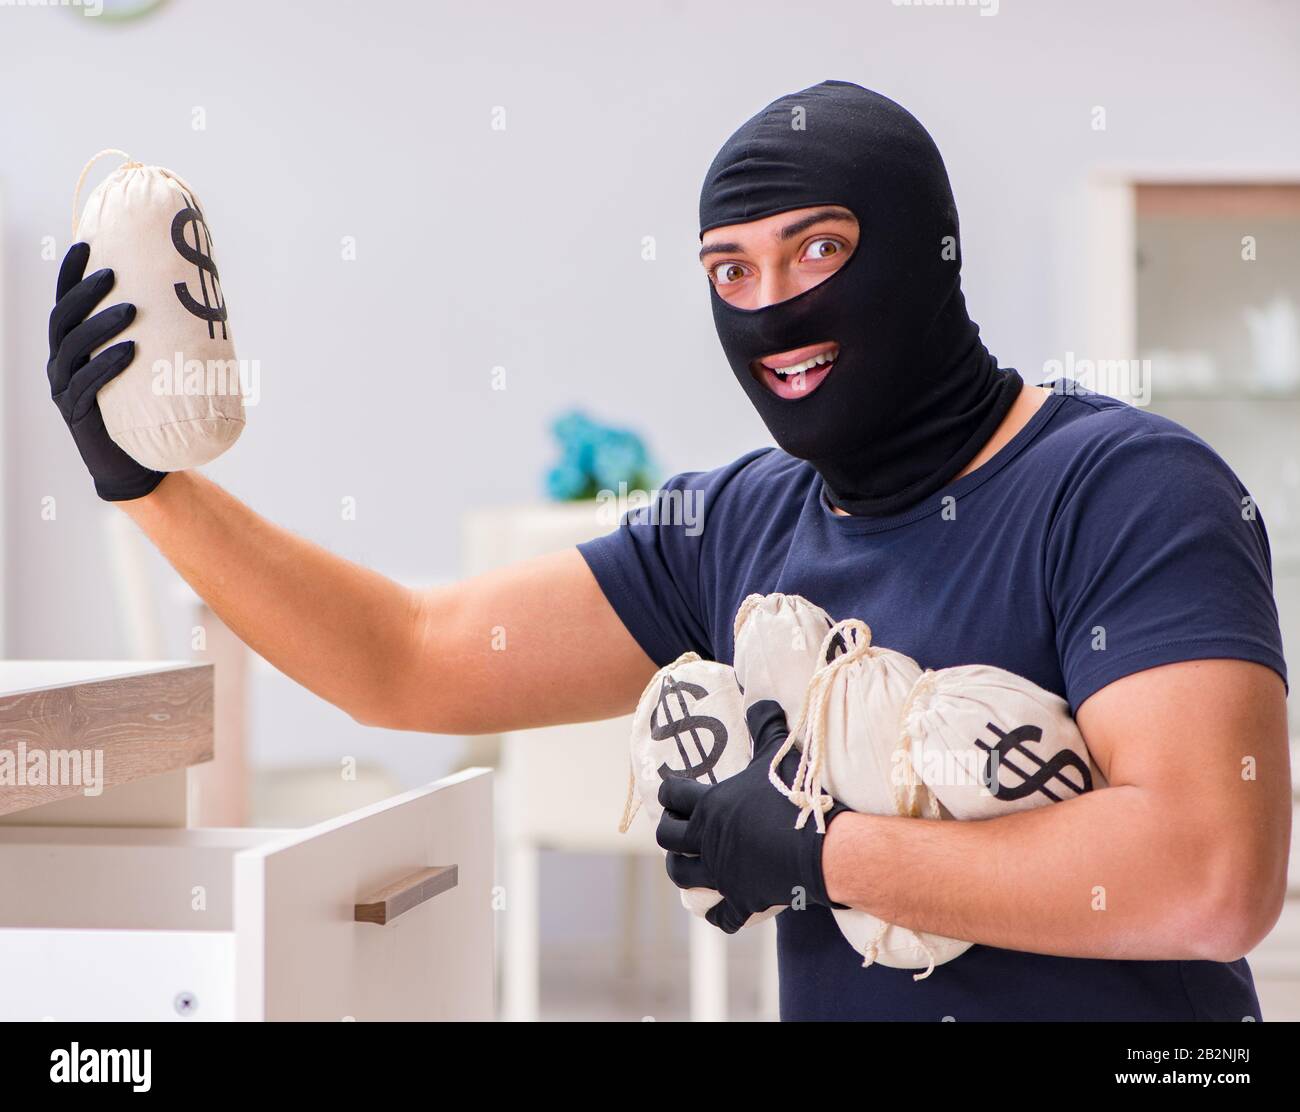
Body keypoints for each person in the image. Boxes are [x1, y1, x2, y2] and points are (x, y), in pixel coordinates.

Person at [46, 80, 1289, 1021]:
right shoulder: (737, 523)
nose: (774, 310)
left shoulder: (1127, 489)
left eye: (817, 250)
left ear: (923, 251)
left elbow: (1209, 875)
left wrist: (820, 853)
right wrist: (147, 485)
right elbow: (408, 656)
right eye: (728, 271)